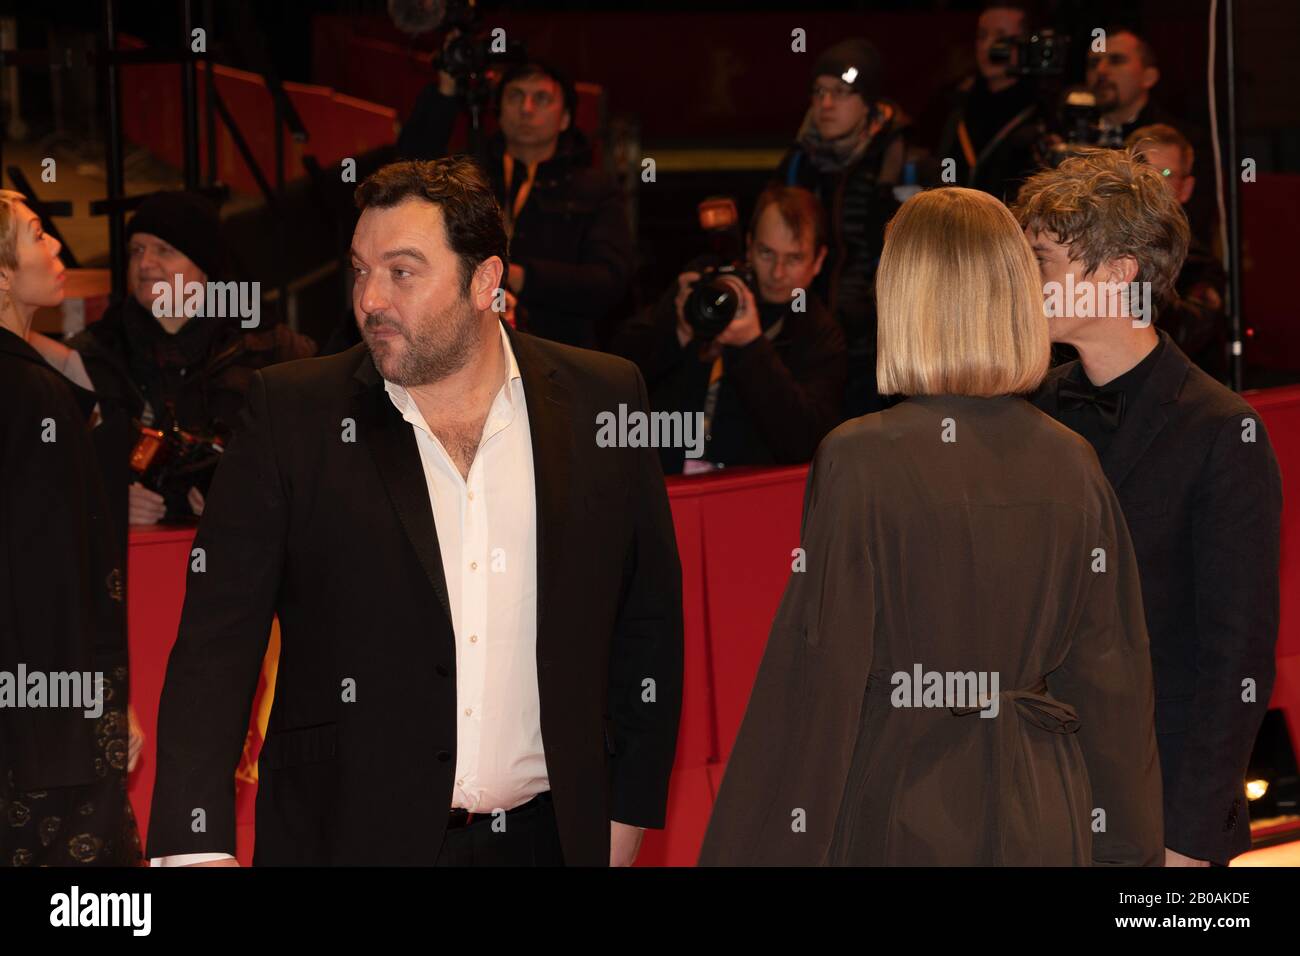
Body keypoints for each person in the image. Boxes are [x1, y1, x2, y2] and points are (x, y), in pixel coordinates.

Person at [147, 157, 683, 867]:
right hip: (346, 839)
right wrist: (191, 848)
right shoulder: (294, 413)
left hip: (550, 841)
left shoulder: (603, 399)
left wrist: (626, 813)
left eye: (402, 272)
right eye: (360, 270)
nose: (370, 299)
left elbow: (647, 620)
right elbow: (216, 642)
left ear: (486, 281)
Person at [697, 187, 1162, 866]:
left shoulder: (860, 461)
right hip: (1047, 813)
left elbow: (815, 688)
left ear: (905, 300)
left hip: (903, 806)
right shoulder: (1074, 463)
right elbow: (1112, 686)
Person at [1017, 148, 1282, 866]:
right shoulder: (1029, 410)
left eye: (1041, 260)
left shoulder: (1222, 430)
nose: (1024, 280)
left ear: (1115, 273)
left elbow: (1238, 660)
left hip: (1161, 812)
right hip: (1037, 796)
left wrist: (1189, 838)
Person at [0, 190, 142, 866]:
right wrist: (104, 708)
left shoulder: (40, 380)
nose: (58, 245)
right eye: (36, 235)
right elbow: (61, 579)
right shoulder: (33, 395)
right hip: (47, 736)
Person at [68, 190, 317, 531]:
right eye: (136, 250)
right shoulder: (93, 354)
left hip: (244, 567)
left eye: (164, 250)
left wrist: (246, 494)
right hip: (136, 570)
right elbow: (54, 471)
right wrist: (106, 499)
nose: (144, 264)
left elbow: (316, 464)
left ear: (206, 267)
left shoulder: (274, 351)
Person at [397, 58, 634, 350]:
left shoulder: (594, 188)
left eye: (542, 98)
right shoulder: (468, 175)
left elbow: (608, 283)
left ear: (565, 119)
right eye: (515, 96)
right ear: (498, 112)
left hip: (557, 348)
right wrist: (445, 91)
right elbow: (408, 174)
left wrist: (522, 277)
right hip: (463, 343)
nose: (526, 108)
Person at [612, 185, 846, 475]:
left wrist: (751, 346)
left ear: (819, 260)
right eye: (766, 253)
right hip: (669, 479)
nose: (778, 273)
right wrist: (678, 332)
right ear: (748, 245)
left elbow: (804, 442)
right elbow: (616, 370)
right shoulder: (708, 287)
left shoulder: (819, 333)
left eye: (794, 258)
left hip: (751, 493)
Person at [777, 37, 906, 418]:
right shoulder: (798, 164)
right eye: (819, 92)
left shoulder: (900, 164)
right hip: (807, 342)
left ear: (868, 103)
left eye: (841, 92)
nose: (826, 104)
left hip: (879, 348)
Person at [1127, 123, 1228, 380]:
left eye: (1166, 173)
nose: (1152, 183)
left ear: (1186, 188)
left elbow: (1186, 335)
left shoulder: (1199, 264)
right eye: (1143, 169)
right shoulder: (1095, 246)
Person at [936, 2, 1042, 202]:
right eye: (982, 36)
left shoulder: (1040, 114)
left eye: (1001, 39)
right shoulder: (961, 106)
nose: (987, 47)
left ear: (1026, 45)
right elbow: (943, 173)